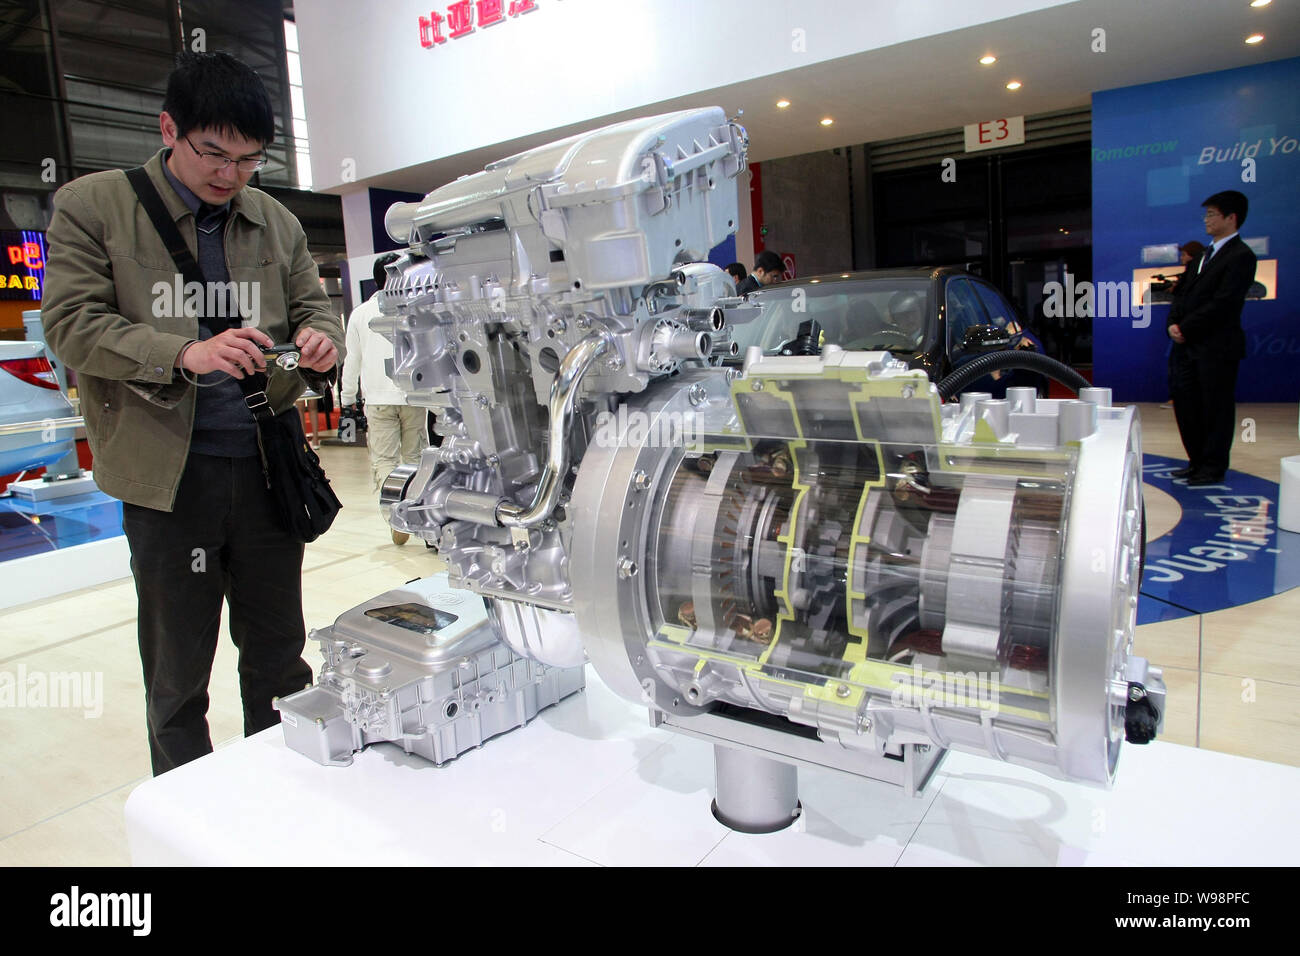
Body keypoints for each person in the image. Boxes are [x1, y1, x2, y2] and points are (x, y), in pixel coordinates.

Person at [40, 52, 345, 775]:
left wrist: (319, 341)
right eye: (213, 153)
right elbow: (72, 325)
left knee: (278, 656)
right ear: (168, 127)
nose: (228, 174)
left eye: (247, 160)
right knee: (178, 673)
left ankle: (280, 792)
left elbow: (315, 311)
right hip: (168, 481)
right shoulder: (96, 206)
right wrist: (184, 352)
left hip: (271, 469)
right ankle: (188, 818)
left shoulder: (271, 218)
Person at [1166, 190, 1256, 486]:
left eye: (1212, 214)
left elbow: (1225, 302)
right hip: (1186, 347)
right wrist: (1173, 324)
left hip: (1216, 347)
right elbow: (1181, 295)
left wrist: (1187, 327)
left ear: (1231, 218)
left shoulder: (1241, 256)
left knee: (1215, 407)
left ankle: (1213, 466)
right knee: (1187, 405)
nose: (1207, 220)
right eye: (1206, 214)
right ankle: (1196, 461)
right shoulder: (1202, 257)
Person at [341, 252, 426, 544]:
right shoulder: (411, 308)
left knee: (384, 460)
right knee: (416, 457)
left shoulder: (360, 313)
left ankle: (394, 513)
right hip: (412, 395)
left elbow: (352, 360)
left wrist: (346, 397)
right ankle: (419, 514)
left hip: (376, 398)